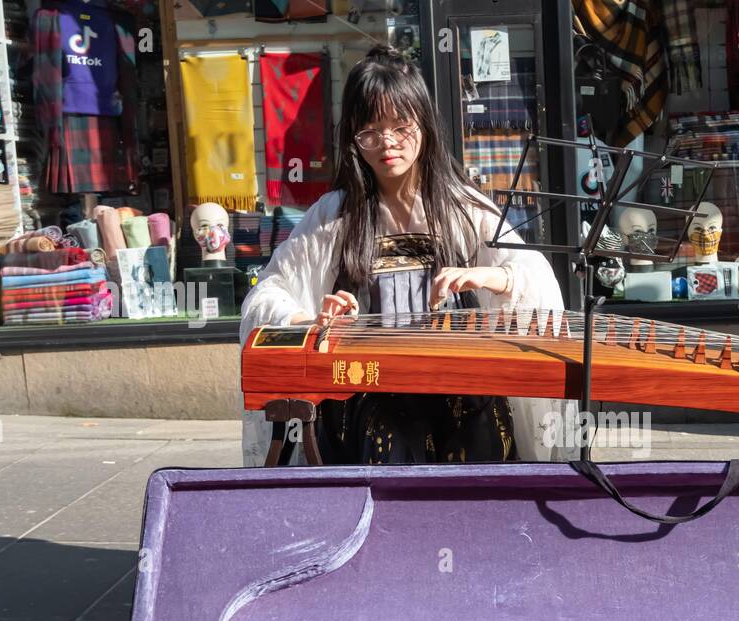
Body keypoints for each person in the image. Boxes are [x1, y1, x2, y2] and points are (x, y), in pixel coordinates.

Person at [239, 45, 571, 466]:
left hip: (453, 379)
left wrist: (490, 278)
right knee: (388, 436)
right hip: (368, 388)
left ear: (425, 124)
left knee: (482, 426)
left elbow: (530, 271)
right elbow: (268, 293)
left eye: (401, 125)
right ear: (354, 139)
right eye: (370, 132)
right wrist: (311, 318)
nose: (387, 143)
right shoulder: (334, 215)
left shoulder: (461, 207)